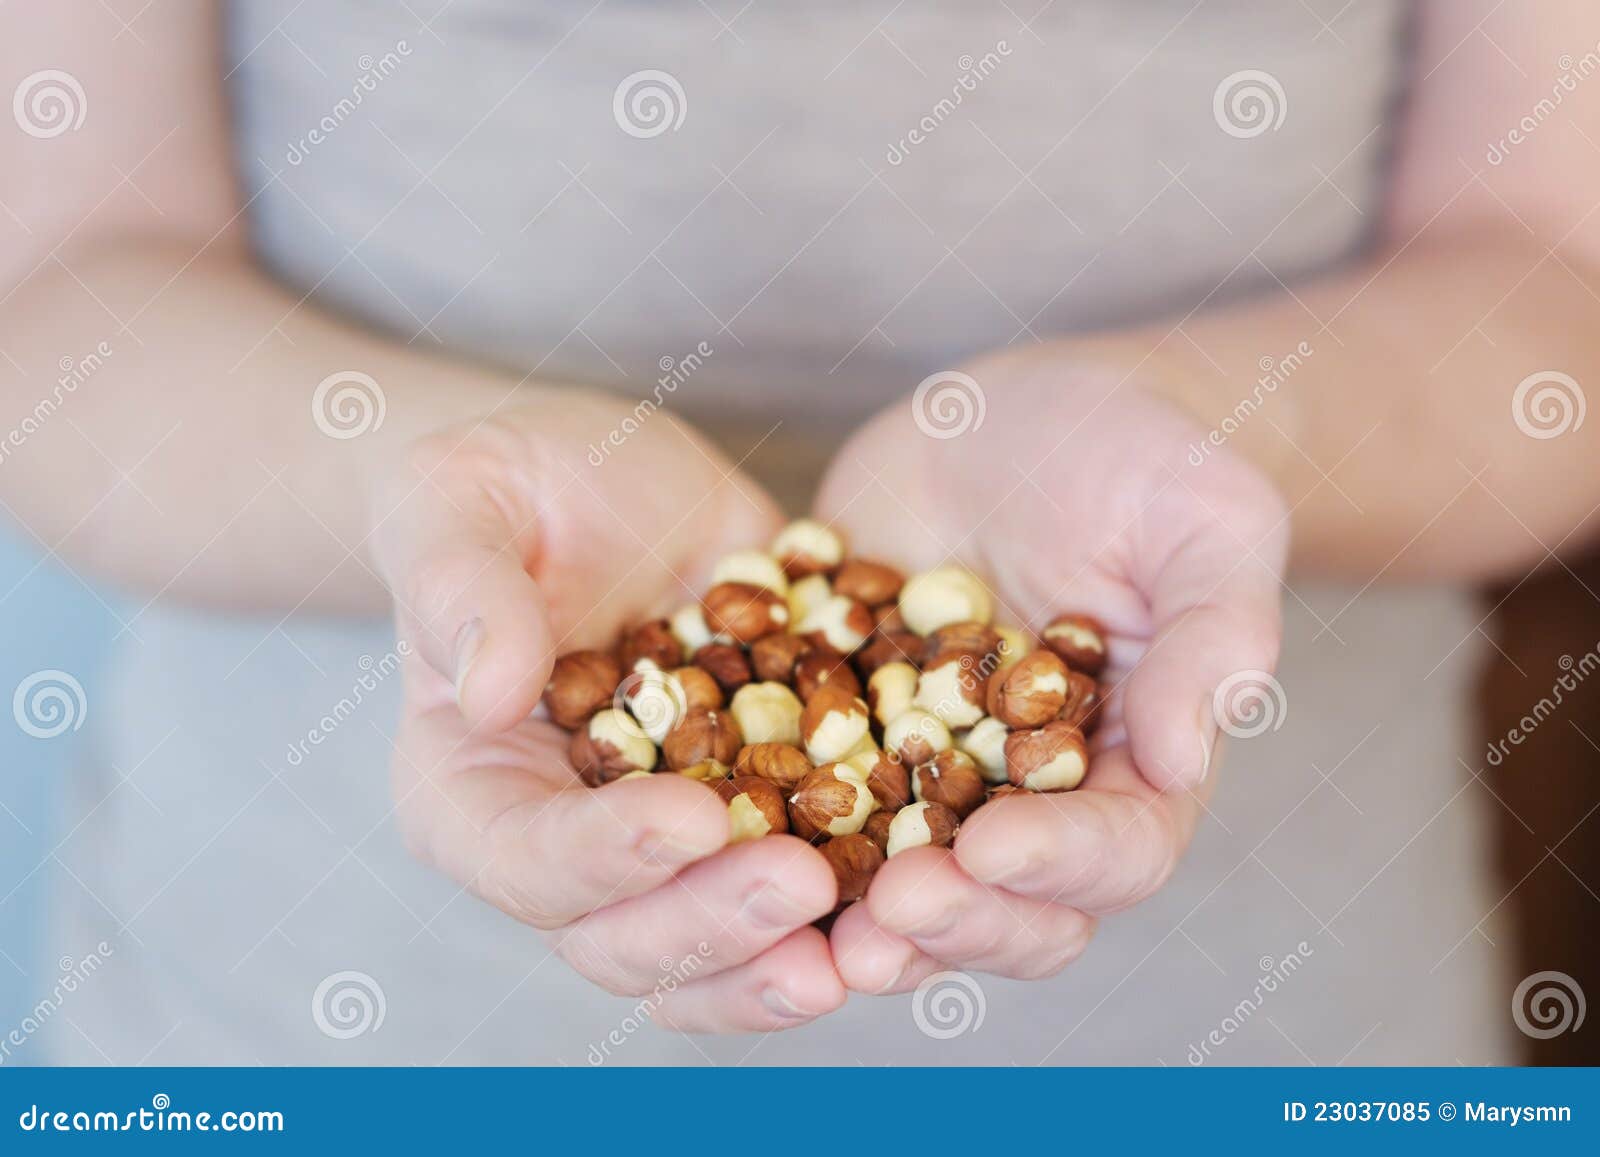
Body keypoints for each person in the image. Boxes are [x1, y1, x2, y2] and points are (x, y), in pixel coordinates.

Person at [4, 0, 1595, 1063]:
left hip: (1264, 1040)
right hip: (301, 1031)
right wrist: (421, 485)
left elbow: (1555, 290)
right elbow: (55, 287)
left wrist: (1222, 434)